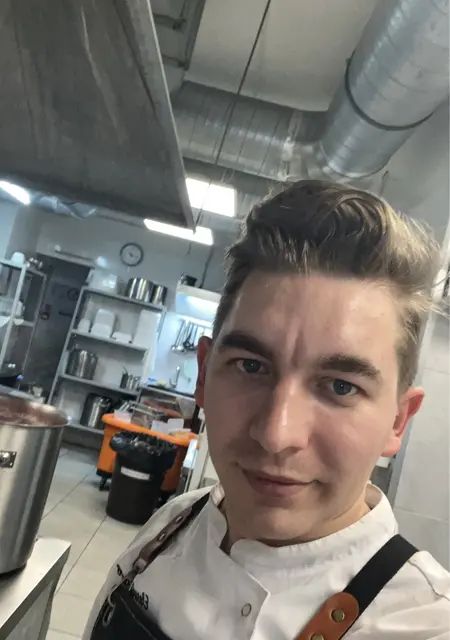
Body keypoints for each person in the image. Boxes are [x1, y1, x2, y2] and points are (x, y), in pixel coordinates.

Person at [83, 180, 450, 640]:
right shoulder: (173, 523)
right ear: (203, 375)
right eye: (251, 366)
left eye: (341, 386)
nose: (276, 434)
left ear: (398, 421)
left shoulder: (423, 626)